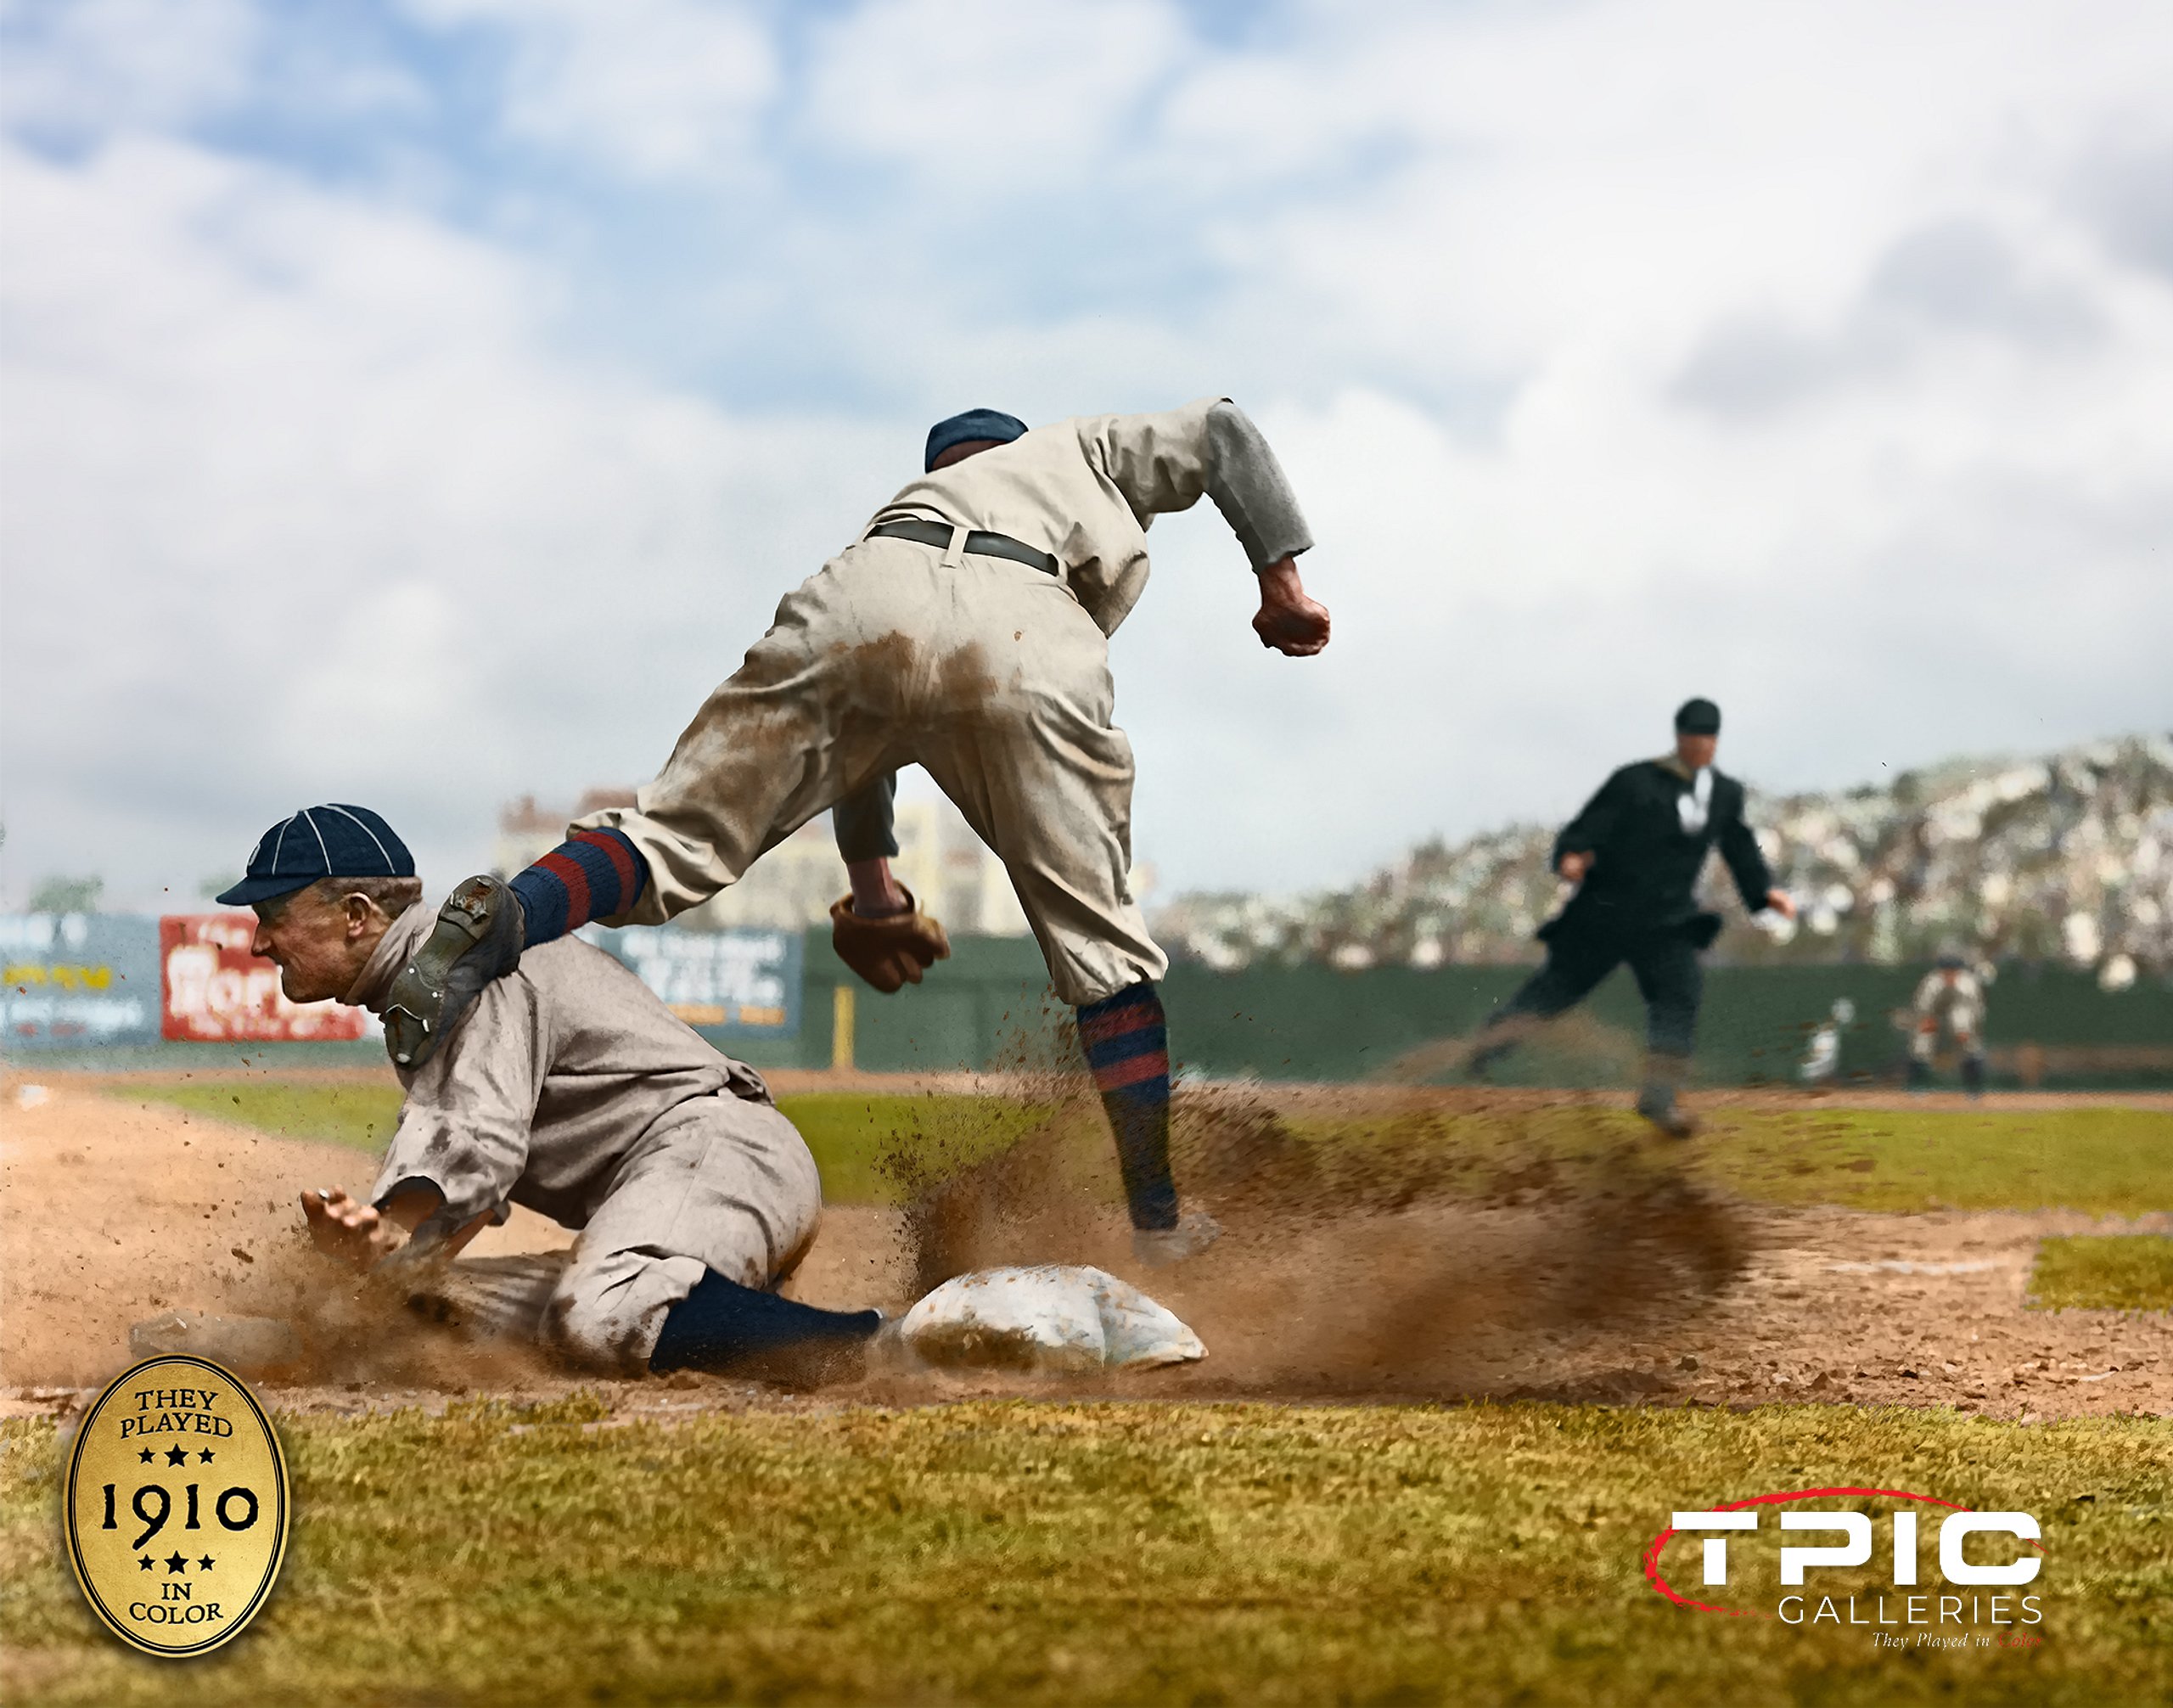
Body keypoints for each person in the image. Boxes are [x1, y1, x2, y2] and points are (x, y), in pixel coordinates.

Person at [379, 399, 1330, 1265]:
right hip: (1026, 619)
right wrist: (1280, 580)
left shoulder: (902, 512)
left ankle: (507, 913)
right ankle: (1158, 1225)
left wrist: (876, 895)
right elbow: (1222, 431)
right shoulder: (1073, 450)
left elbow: (865, 746)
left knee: (671, 831)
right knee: (1103, 954)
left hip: (857, 600)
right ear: (1011, 450)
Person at [221, 805, 888, 1382]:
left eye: (275, 914)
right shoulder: (430, 983)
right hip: (669, 1189)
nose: (258, 940)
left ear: (356, 915)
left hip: (717, 1152)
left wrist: (391, 1234)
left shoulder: (459, 969)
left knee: (600, 1311)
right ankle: (715, 1304)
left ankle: (879, 1346)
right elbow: (466, 1164)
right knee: (424, 1314)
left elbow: (480, 1145)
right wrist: (379, 1281)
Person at [1468, 699, 1798, 1134]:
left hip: (1667, 924)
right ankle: (1490, 1045)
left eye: (1710, 739)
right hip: (1606, 914)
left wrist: (1764, 892)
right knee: (1556, 990)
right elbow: (1588, 826)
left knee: (1679, 996)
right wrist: (1571, 854)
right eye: (1695, 737)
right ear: (1680, 738)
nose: (1703, 746)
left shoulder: (1724, 794)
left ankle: (1659, 1100)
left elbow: (1738, 845)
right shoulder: (1635, 782)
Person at [1905, 951, 1989, 1095]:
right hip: (1935, 1015)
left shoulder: (1968, 983)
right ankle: (1917, 1088)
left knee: (1969, 1043)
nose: (1949, 974)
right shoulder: (1932, 982)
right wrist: (1927, 1022)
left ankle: (1974, 1091)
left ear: (1959, 971)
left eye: (1953, 970)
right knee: (1921, 1043)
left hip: (1961, 1015)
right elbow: (1923, 1008)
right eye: (1946, 971)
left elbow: (1975, 1011)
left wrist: (1966, 1030)